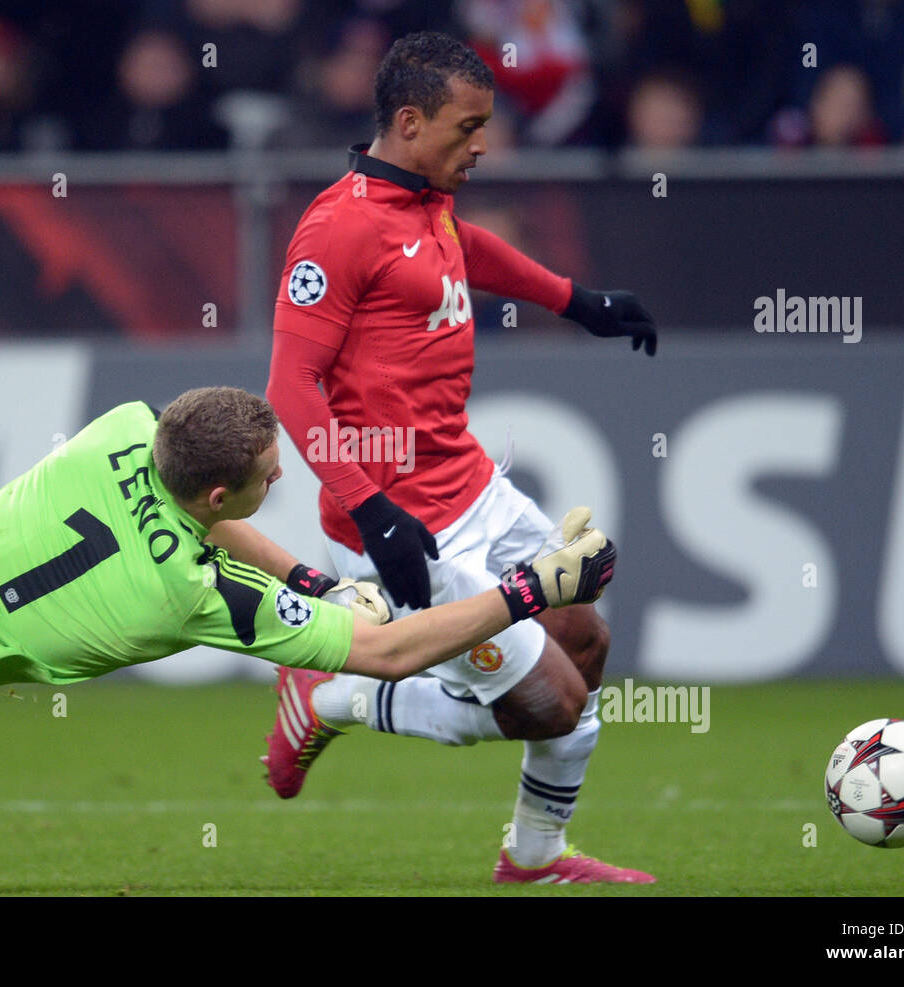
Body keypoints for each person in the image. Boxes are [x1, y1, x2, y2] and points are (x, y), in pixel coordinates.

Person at [264, 31, 657, 885]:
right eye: (468, 127)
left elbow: (466, 253)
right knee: (556, 708)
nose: (483, 144)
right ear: (409, 122)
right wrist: (371, 511)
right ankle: (334, 695)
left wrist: (575, 300)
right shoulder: (335, 229)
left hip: (471, 485)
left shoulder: (426, 199)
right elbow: (292, 386)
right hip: (401, 523)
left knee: (584, 640)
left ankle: (533, 857)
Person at [0, 387, 614, 737]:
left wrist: (313, 579)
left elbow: (195, 515)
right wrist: (532, 587)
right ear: (220, 495)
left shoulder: (121, 430)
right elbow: (387, 654)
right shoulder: (191, 596)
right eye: (269, 476)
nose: (280, 479)